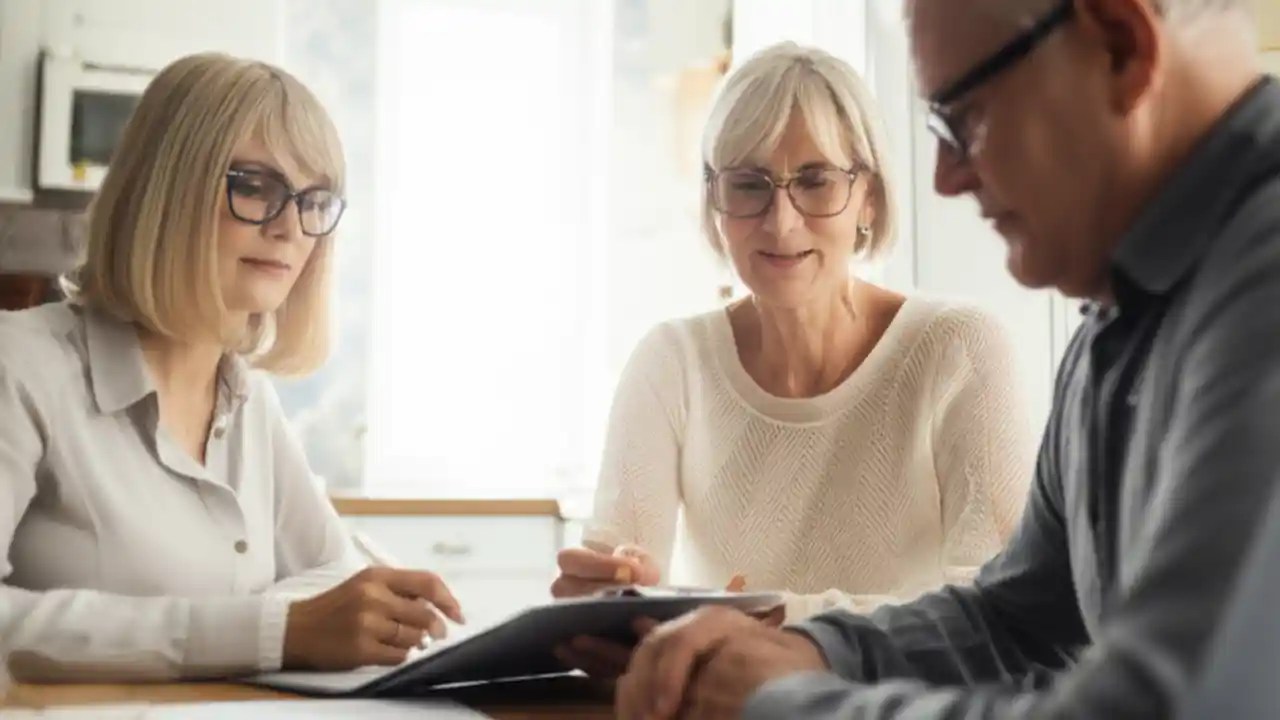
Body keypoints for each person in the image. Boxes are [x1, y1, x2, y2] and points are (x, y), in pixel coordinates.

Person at [612, 0, 1280, 718]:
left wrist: (781, 702)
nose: (945, 178)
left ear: (1119, 47)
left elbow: (1162, 707)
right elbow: (1018, 622)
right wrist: (815, 651)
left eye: (968, 115)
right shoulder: (1121, 313)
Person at [552, 41, 1036, 655]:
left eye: (815, 180)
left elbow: (998, 615)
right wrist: (598, 618)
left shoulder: (961, 349)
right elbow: (616, 600)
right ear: (715, 201)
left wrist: (770, 619)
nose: (781, 223)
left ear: (870, 196)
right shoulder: (671, 361)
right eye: (748, 184)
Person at [0, 53, 463, 682]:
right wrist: (270, 631)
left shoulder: (246, 396)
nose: (291, 229)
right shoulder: (19, 365)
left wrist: (355, 612)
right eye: (254, 186)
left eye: (313, 199)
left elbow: (333, 567)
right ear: (164, 191)